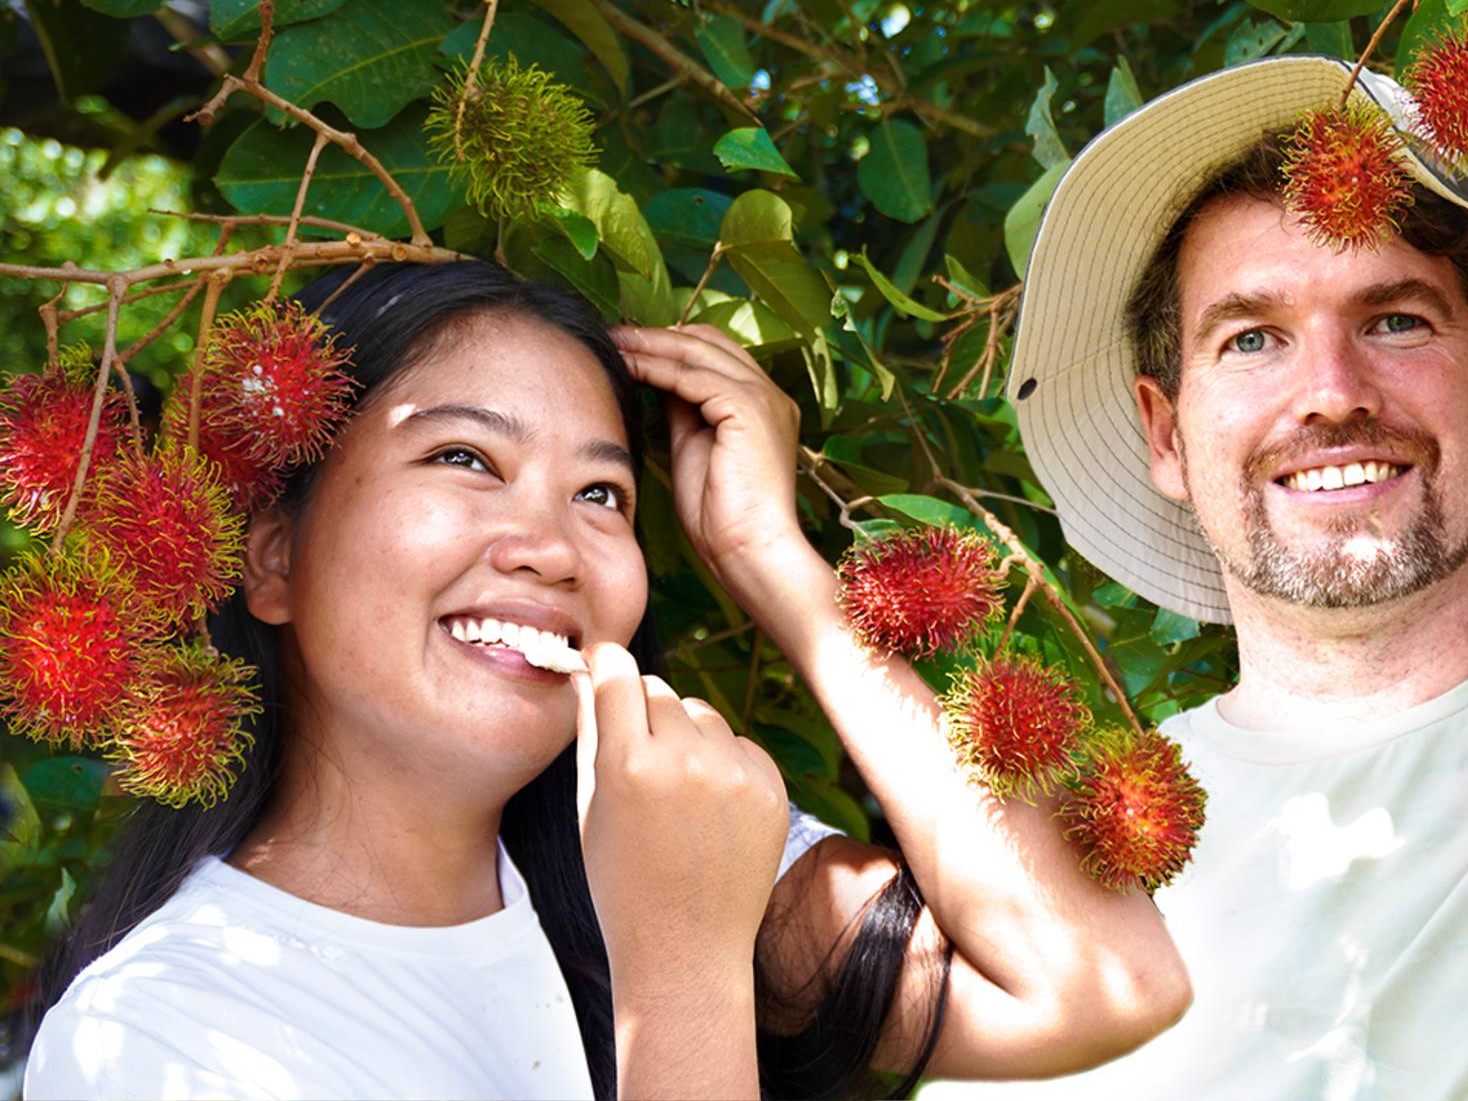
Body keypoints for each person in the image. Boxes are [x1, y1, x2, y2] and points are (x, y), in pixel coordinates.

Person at [20, 259, 1190, 1099]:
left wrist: (775, 564)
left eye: (602, 495)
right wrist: (679, 967)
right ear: (272, 554)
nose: (552, 546)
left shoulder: (642, 861)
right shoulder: (165, 1037)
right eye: (466, 458)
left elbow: (1102, 980)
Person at [923, 56, 1468, 1099]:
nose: (1332, 394)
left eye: (1396, 321)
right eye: (1253, 338)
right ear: (1166, 436)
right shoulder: (1072, 869)